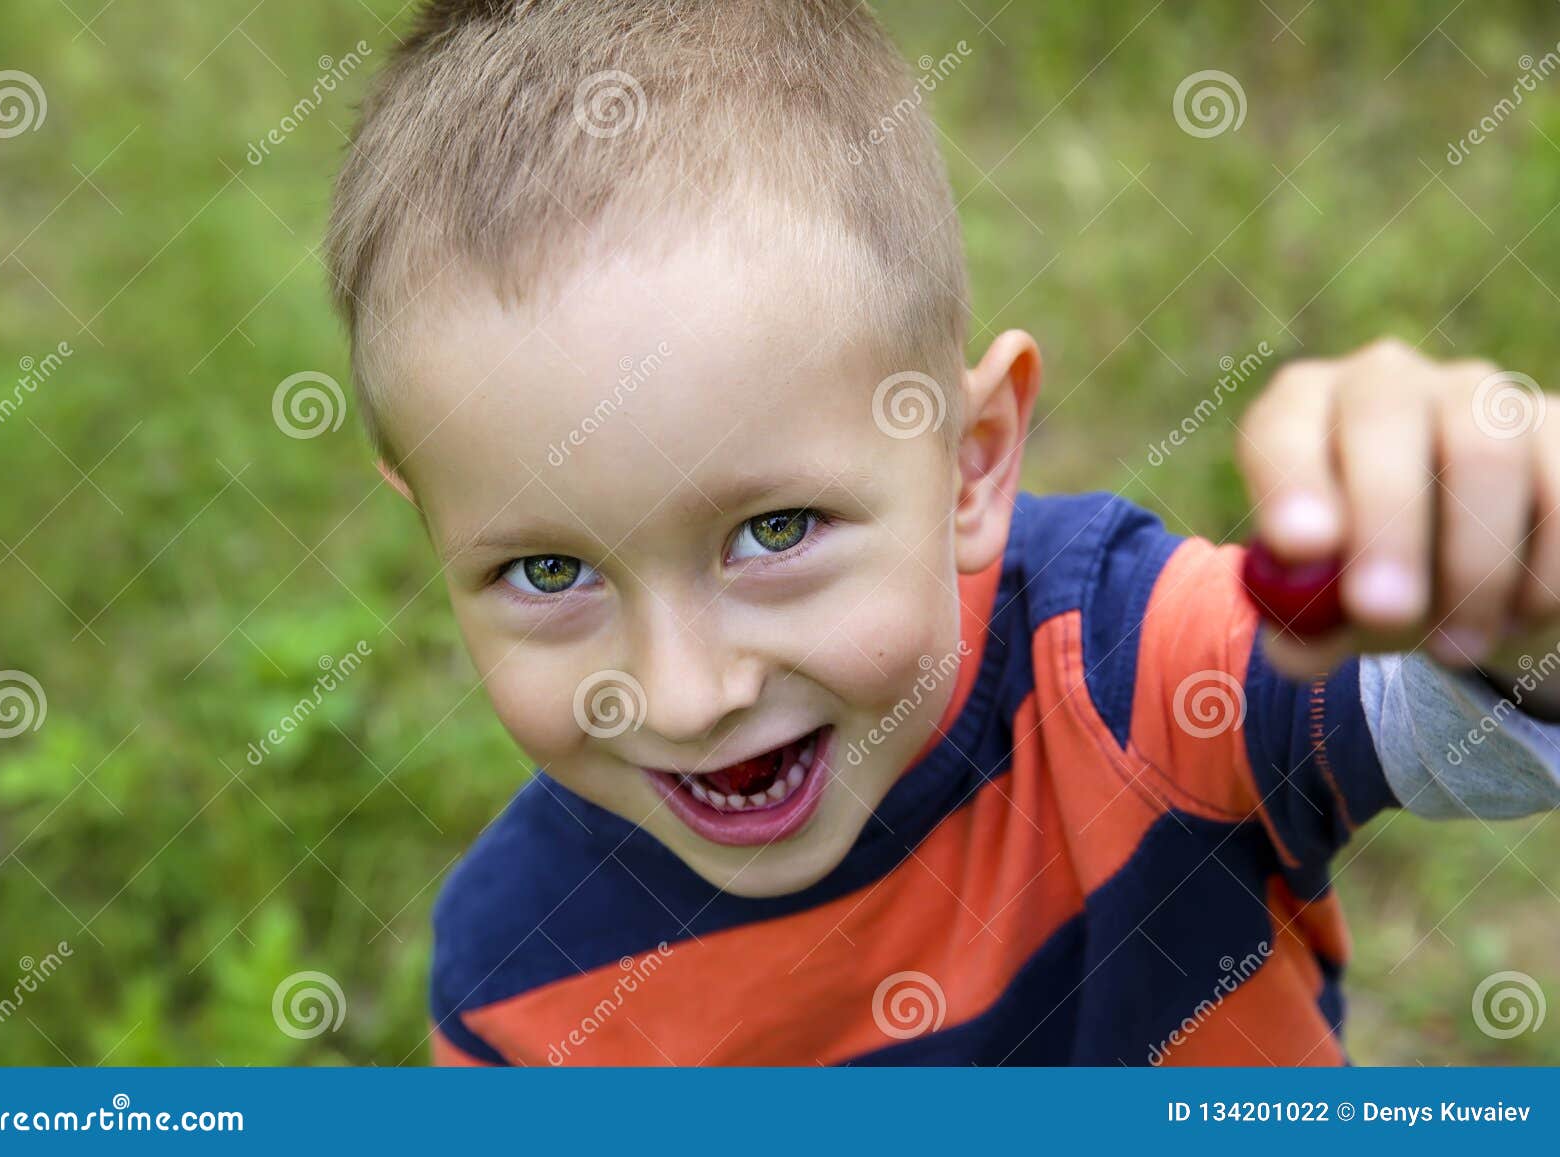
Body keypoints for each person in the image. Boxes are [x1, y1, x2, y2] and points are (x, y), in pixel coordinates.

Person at [323, 0, 1560, 1065]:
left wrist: (1508, 583)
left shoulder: (1132, 676)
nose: (686, 695)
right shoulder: (516, 980)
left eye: (774, 530)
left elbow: (1456, 731)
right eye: (547, 569)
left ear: (970, 461)